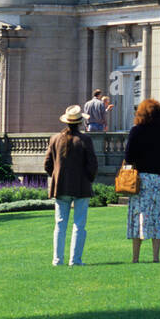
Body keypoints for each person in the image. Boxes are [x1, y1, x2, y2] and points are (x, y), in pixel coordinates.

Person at [123, 98, 160, 263]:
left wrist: (140, 160)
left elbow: (128, 157)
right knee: (156, 216)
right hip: (159, 178)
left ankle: (135, 258)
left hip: (140, 179)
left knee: (137, 215)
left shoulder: (136, 131)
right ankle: (155, 256)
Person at [44, 105, 99, 266]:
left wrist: (56, 177)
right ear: (80, 123)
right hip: (81, 186)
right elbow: (93, 165)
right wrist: (88, 178)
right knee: (79, 225)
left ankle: (57, 260)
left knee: (60, 225)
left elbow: (47, 164)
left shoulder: (55, 139)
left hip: (60, 186)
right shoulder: (85, 140)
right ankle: (75, 260)